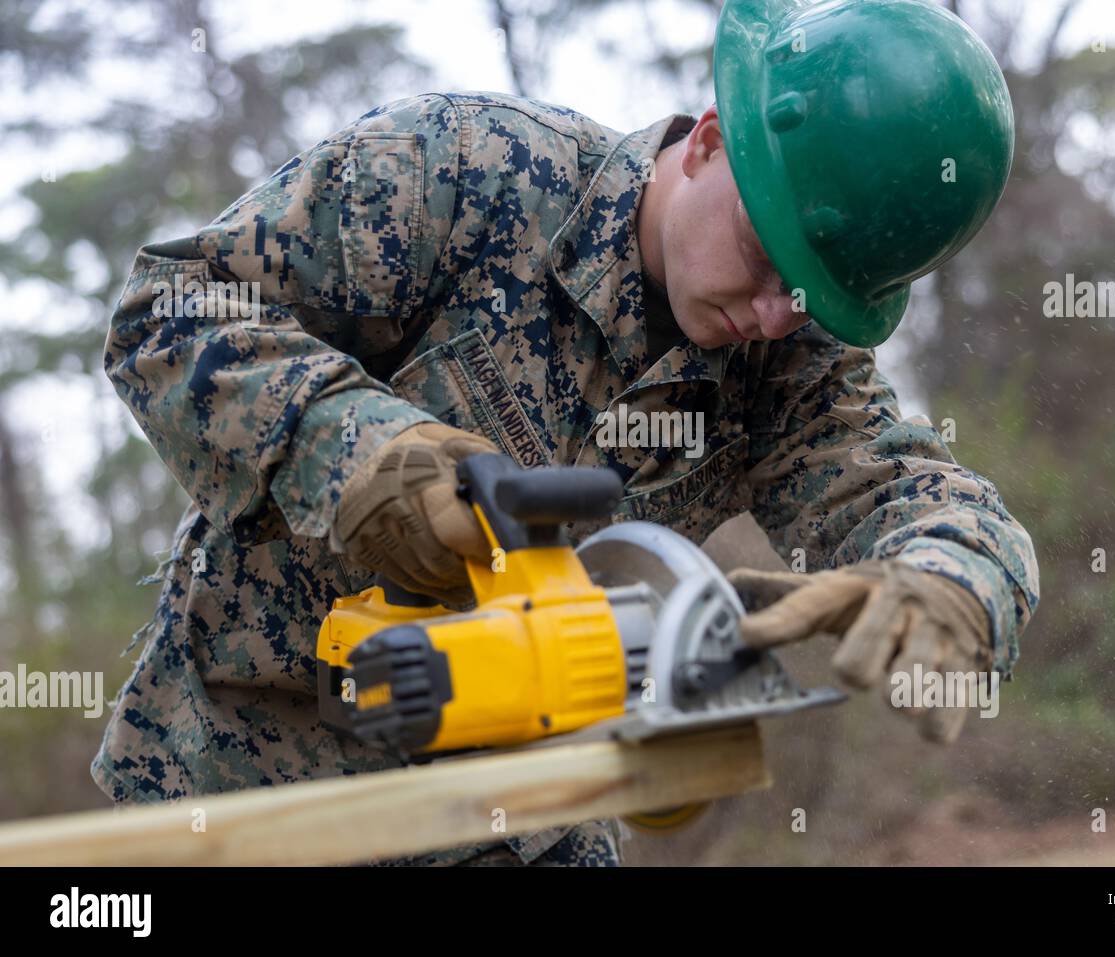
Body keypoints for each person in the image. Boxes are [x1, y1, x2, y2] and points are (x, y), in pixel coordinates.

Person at [97, 0, 1038, 866]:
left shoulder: (791, 363)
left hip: (519, 822)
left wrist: (952, 584)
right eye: (765, 258)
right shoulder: (461, 170)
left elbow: (918, 496)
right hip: (236, 780)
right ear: (711, 142)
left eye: (812, 296)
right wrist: (360, 456)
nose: (770, 313)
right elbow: (163, 314)